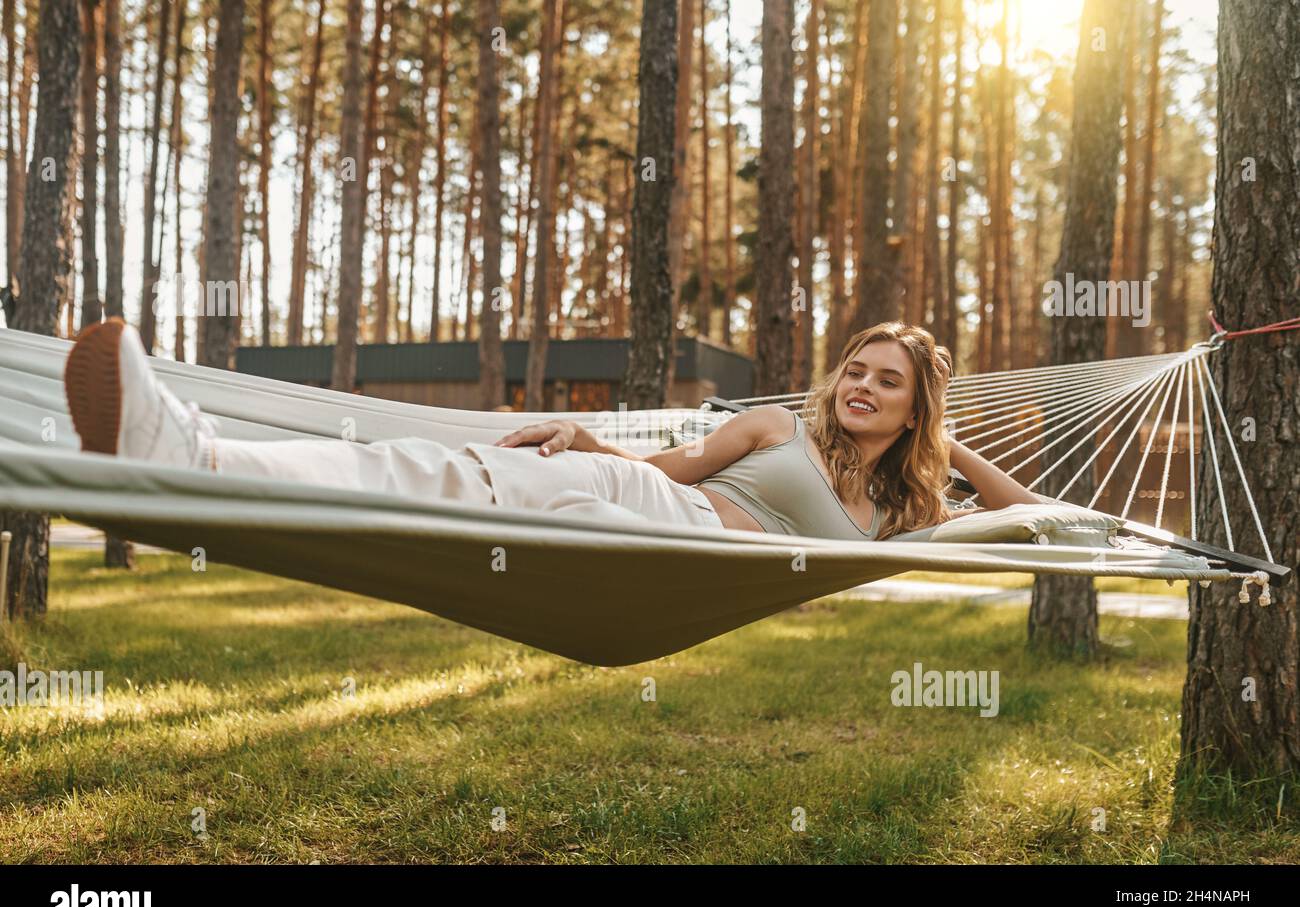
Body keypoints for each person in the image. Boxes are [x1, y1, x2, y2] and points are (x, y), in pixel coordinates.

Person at [61, 318, 1039, 539]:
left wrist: (948, 448)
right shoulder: (775, 426)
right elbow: (669, 466)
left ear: (918, 408)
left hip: (656, 558)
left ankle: (194, 460)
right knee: (443, 468)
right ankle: (199, 454)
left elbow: (1033, 514)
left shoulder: (904, 516)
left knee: (466, 492)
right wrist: (590, 443)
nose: (861, 387)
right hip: (649, 506)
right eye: (856, 370)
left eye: (889, 383)